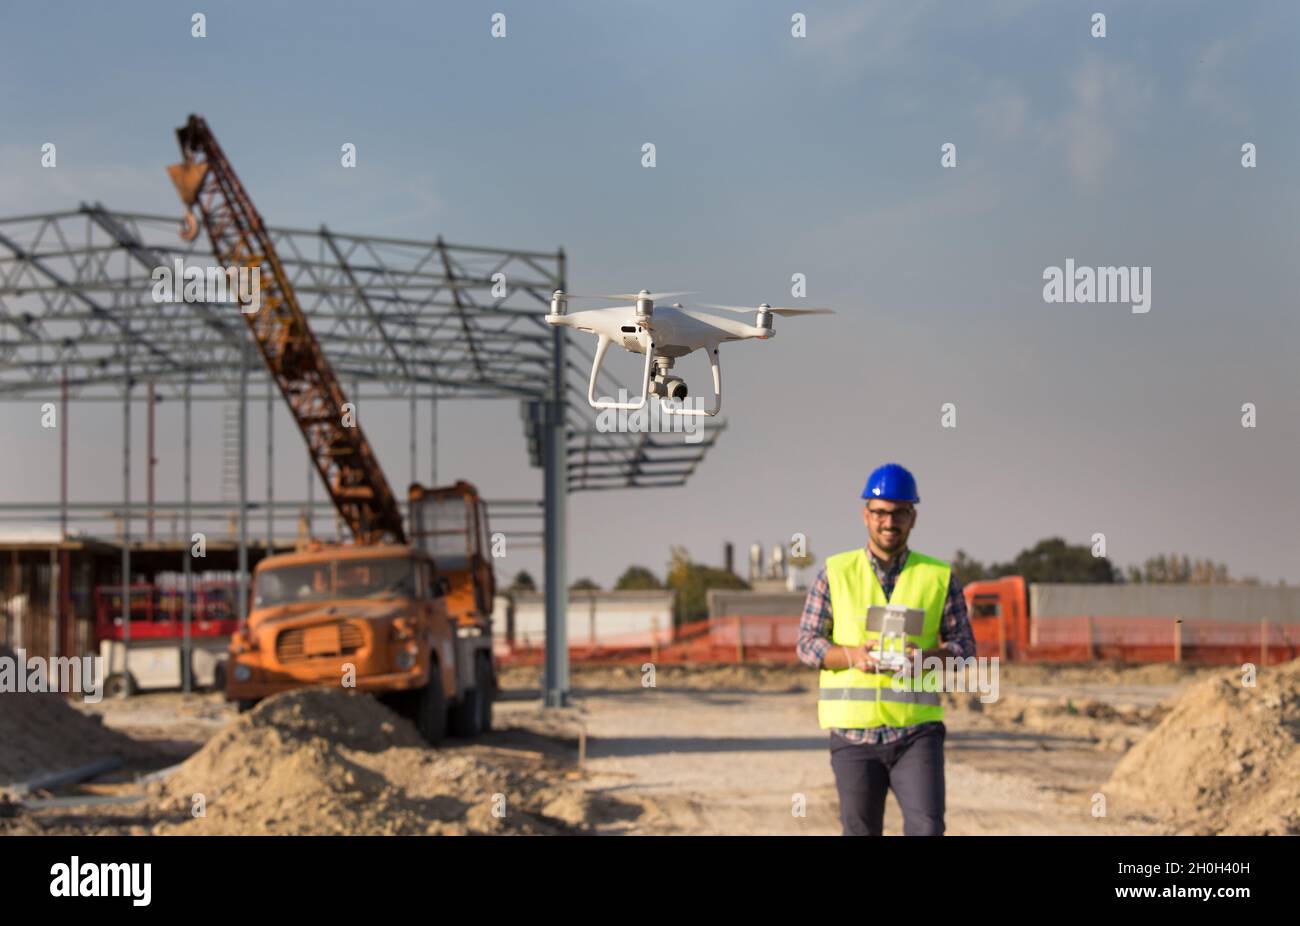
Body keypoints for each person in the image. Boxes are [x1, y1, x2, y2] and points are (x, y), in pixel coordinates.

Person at [796, 463, 976, 835]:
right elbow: (807, 644)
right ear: (866, 516)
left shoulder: (939, 576)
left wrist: (925, 659)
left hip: (916, 733)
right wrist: (852, 656)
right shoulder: (834, 573)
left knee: (927, 828)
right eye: (880, 512)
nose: (889, 522)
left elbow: (965, 648)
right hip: (853, 737)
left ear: (913, 517)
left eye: (899, 513)